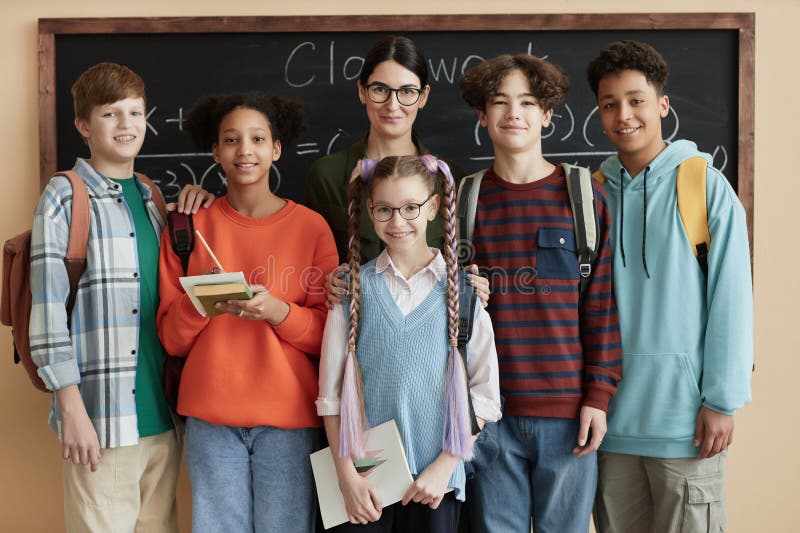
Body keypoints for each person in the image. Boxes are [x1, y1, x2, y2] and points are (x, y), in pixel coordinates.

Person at [28, 62, 213, 532]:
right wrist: (72, 410)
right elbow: (47, 312)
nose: (127, 125)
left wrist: (201, 202)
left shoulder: (151, 196)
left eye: (135, 112)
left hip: (161, 417)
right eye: (110, 114)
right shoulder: (64, 196)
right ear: (83, 125)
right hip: (102, 418)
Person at [586, 40, 753, 533]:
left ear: (662, 104)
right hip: (610, 429)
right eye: (610, 103)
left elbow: (731, 299)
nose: (624, 115)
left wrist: (722, 400)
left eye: (636, 100)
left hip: (685, 427)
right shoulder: (591, 192)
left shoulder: (703, 183)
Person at [156, 92, 338, 533]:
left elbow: (330, 338)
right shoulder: (188, 228)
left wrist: (279, 312)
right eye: (232, 140)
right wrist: (203, 302)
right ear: (215, 151)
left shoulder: (311, 228)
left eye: (257, 139)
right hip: (210, 419)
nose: (245, 150)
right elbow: (170, 338)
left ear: (276, 148)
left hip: (289, 420)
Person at [456, 54, 623, 533]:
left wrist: (598, 396)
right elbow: (439, 309)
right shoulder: (463, 201)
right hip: (488, 415)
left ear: (547, 115)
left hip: (568, 415)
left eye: (528, 102)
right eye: (500, 102)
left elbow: (601, 307)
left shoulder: (584, 197)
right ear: (482, 116)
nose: (514, 113)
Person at [316, 155, 501, 532]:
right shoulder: (353, 291)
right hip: (367, 484)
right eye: (384, 209)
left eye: (411, 208)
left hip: (435, 484)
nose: (398, 222)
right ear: (370, 211)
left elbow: (485, 395)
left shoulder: (463, 292)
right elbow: (331, 397)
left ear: (433, 207)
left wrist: (446, 466)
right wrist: (346, 475)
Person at [303, 35, 466, 264]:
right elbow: (313, 266)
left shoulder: (451, 178)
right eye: (380, 89)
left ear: (423, 97)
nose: (393, 105)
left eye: (407, 91)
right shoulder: (326, 176)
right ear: (362, 91)